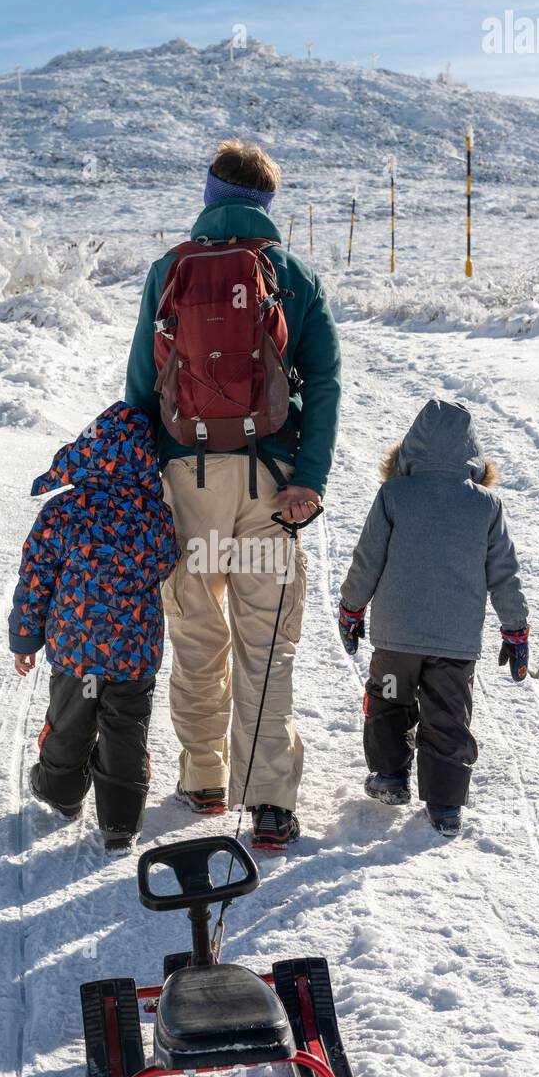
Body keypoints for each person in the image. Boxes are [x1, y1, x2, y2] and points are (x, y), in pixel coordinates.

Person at [124, 138, 342, 851]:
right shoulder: (294, 275)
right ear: (268, 204)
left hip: (186, 482)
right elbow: (326, 385)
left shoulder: (169, 270)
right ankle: (270, 802)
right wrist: (308, 477)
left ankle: (205, 777)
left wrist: (145, 480)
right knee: (266, 643)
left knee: (195, 637)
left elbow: (138, 389)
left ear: (209, 195)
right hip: (270, 486)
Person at [338, 398, 530, 835]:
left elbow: (367, 560)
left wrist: (352, 609)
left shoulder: (393, 494)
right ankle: (444, 806)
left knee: (387, 703)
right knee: (448, 716)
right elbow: (503, 573)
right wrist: (515, 630)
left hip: (395, 639)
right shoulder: (486, 506)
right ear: (473, 454)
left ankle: (389, 777)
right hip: (455, 641)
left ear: (410, 448)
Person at [8, 401, 179, 848]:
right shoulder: (155, 514)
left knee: (70, 722)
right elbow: (165, 561)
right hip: (133, 654)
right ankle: (121, 822)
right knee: (125, 730)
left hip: (76, 650)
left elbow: (36, 577)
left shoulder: (63, 511)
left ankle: (61, 792)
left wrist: (26, 638)